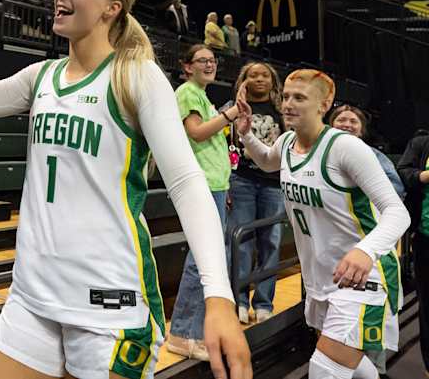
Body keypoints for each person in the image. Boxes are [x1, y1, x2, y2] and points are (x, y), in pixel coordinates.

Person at [0, 0, 251, 379]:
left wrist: (218, 296)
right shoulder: (41, 76)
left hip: (109, 304)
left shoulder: (136, 76)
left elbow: (186, 183)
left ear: (112, 8)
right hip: (32, 296)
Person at [236, 69, 409, 379]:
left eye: (299, 98)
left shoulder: (345, 147)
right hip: (320, 279)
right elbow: (266, 162)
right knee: (350, 368)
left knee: (323, 371)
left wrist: (365, 250)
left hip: (361, 277)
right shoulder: (287, 141)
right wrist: (246, 133)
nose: (288, 104)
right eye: (286, 96)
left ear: (325, 103)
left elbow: (398, 212)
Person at [168, 44, 238, 360]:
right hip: (203, 184)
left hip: (215, 185)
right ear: (187, 67)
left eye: (213, 60)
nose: (209, 65)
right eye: (202, 61)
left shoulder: (203, 95)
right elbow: (196, 133)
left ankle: (190, 332)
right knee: (203, 260)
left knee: (207, 260)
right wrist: (229, 115)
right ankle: (183, 333)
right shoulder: (187, 92)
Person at [226, 62, 285, 325]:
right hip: (242, 181)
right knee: (242, 241)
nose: (259, 79)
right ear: (244, 80)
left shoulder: (282, 110)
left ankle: (263, 302)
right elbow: (222, 146)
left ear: (273, 81)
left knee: (270, 242)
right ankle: (238, 300)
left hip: (274, 184)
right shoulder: (230, 108)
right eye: (253, 75)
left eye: (265, 75)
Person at [397, 131, 429, 376]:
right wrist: (423, 176)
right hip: (425, 238)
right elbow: (404, 174)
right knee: (427, 305)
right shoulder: (420, 142)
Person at [329, 104, 405, 200]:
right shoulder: (317, 150)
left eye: (353, 121)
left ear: (361, 131)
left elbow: (396, 190)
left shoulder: (375, 155)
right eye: (341, 120)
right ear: (331, 126)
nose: (347, 125)